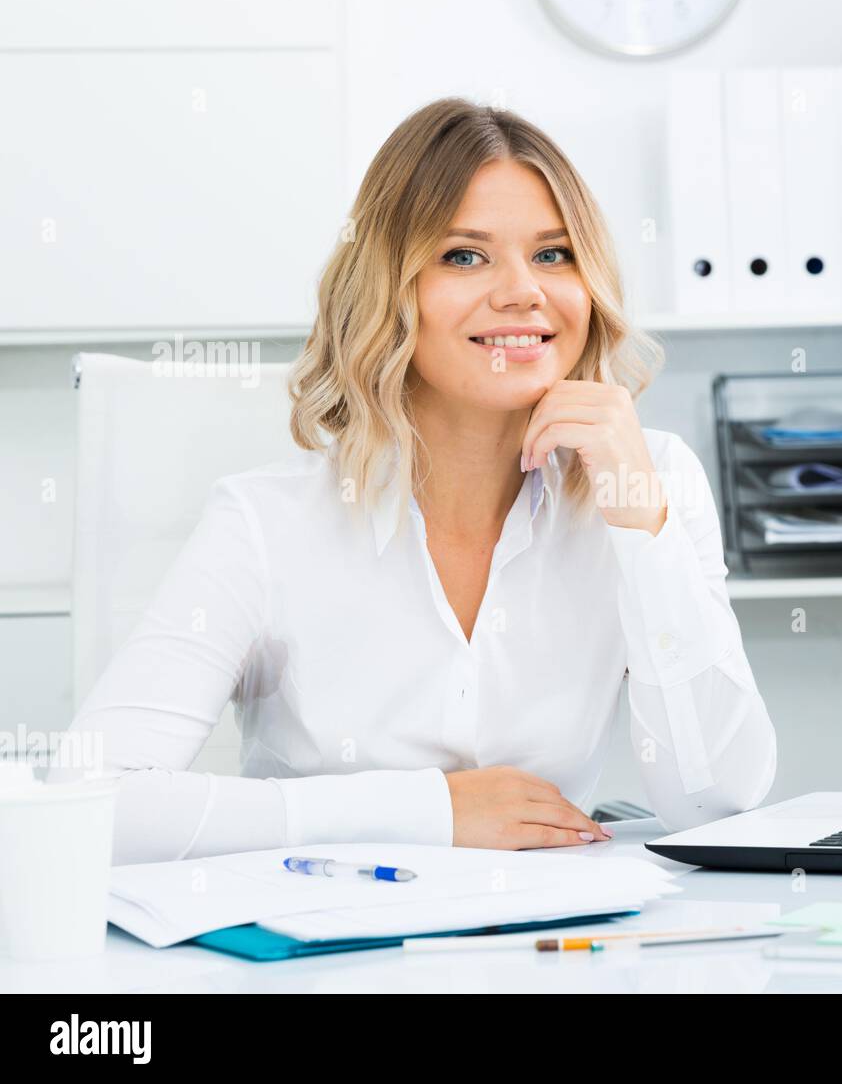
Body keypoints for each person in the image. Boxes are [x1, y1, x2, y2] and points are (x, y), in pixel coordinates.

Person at [55, 98, 777, 865]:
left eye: (554, 254)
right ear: (389, 290)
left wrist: (641, 524)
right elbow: (92, 802)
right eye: (465, 255)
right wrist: (424, 809)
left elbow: (717, 801)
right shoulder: (264, 524)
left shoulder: (651, 480)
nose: (522, 291)